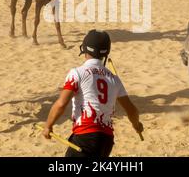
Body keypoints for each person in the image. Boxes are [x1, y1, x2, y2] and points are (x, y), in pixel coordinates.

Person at [42, 29, 143, 157]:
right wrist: (137, 125)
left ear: (84, 50)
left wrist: (48, 125)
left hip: (85, 136)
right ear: (105, 54)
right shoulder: (114, 78)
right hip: (106, 140)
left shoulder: (77, 73)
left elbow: (61, 104)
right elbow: (132, 110)